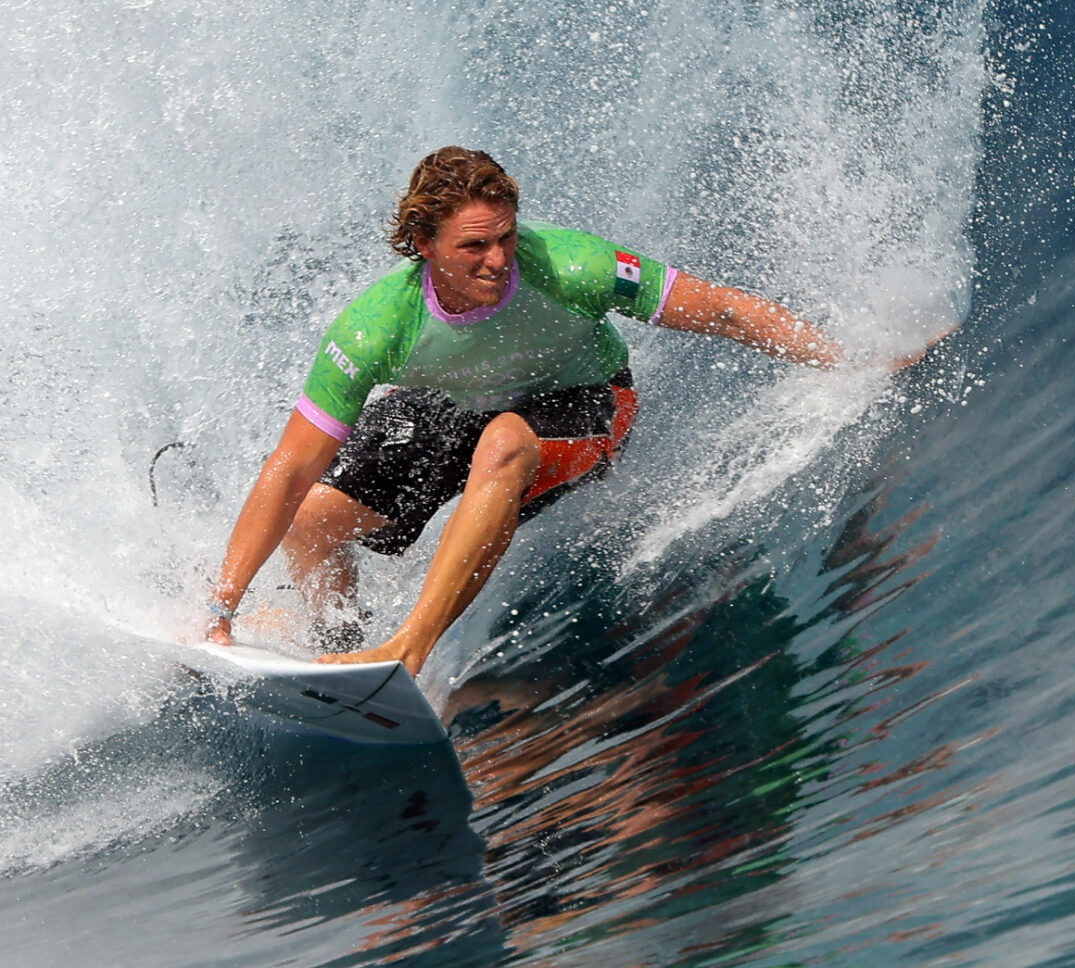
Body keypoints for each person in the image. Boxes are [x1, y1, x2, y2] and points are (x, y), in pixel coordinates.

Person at [205, 146, 925, 676]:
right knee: (311, 523)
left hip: (585, 400)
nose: (497, 261)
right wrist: (221, 611)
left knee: (504, 447)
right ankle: (336, 652)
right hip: (455, 403)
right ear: (423, 246)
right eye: (473, 247)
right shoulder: (373, 328)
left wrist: (852, 363)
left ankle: (408, 648)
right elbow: (290, 467)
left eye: (506, 239)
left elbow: (725, 312)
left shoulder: (573, 265)